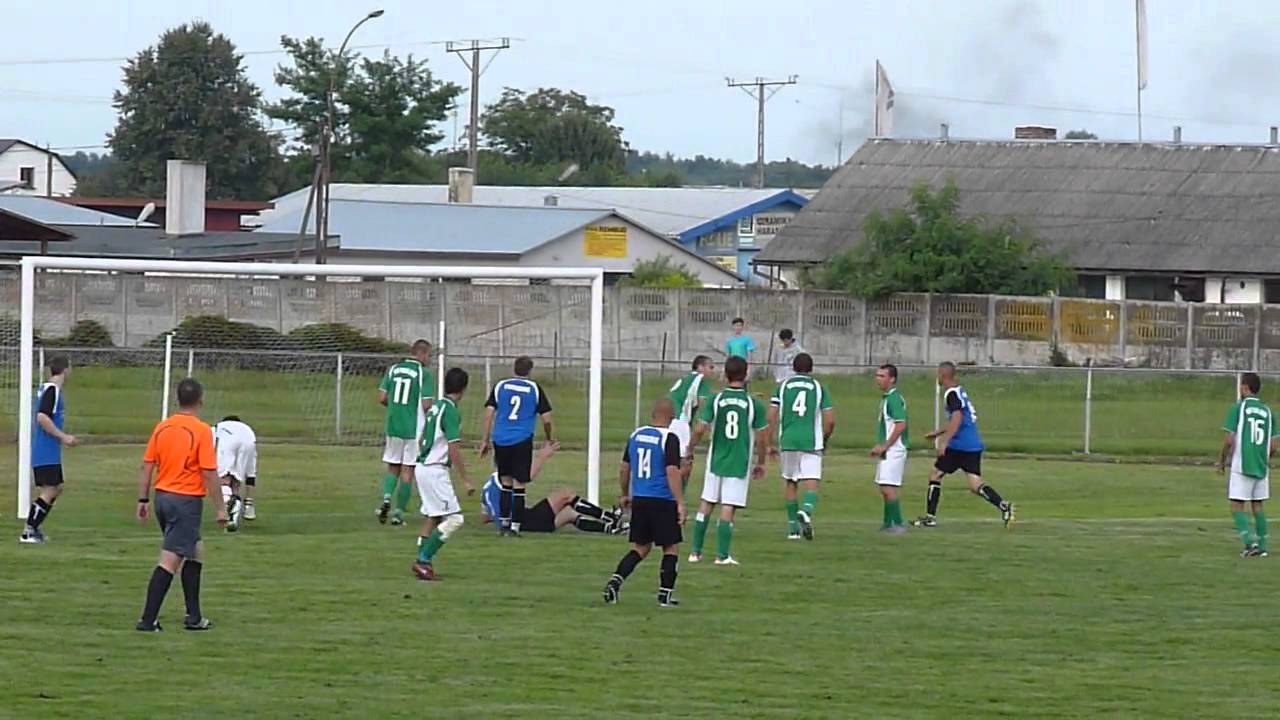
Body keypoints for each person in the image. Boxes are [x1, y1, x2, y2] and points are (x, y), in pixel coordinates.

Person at [135, 378, 227, 632]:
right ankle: (147, 620)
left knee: (195, 551)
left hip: (162, 498)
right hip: (185, 501)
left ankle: (194, 616)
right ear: (201, 400)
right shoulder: (201, 430)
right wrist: (220, 508)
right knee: (170, 560)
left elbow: (147, 465)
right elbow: (209, 472)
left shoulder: (163, 427)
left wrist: (142, 499)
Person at [603, 398, 686, 607]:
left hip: (640, 498)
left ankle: (615, 581)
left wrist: (625, 494)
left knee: (640, 547)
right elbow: (671, 471)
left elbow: (624, 467)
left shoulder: (636, 435)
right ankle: (665, 595)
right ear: (672, 417)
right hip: (662, 499)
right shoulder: (669, 438)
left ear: (652, 415)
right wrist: (680, 502)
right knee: (670, 547)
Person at [913, 362, 1015, 529]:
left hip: (958, 445)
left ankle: (930, 517)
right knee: (975, 484)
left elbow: (957, 418)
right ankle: (1004, 506)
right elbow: (960, 418)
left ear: (943, 375)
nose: (936, 378)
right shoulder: (959, 391)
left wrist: (944, 441)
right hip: (972, 445)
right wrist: (938, 432)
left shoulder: (951, 394)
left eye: (938, 374)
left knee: (935, 474)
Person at [688, 355, 768, 565]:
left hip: (716, 459)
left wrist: (689, 449)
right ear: (746, 374)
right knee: (728, 506)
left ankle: (695, 552)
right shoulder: (754, 404)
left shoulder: (716, 400)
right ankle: (722, 555)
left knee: (707, 502)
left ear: (725, 374)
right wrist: (761, 462)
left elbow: (699, 428)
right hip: (738, 461)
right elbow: (762, 437)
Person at [479, 356, 555, 536]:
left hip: (501, 439)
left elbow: (488, 414)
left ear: (514, 368)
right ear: (530, 370)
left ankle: (504, 526)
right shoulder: (534, 389)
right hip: (521, 439)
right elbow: (547, 419)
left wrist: (485, 439)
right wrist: (549, 436)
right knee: (519, 485)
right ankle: (515, 527)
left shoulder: (500, 386)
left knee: (505, 482)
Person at [480, 443, 627, 534]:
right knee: (565, 495)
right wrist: (542, 456)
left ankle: (611, 529)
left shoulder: (487, 486)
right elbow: (527, 476)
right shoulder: (505, 480)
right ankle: (611, 517)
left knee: (569, 514)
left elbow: (485, 517)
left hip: (525, 523)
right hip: (522, 523)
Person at [412, 368, 475, 581]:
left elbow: (421, 438)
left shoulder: (436, 406)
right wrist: (465, 480)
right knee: (455, 519)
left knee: (434, 516)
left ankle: (422, 559)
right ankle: (423, 560)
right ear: (464, 388)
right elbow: (453, 448)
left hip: (422, 466)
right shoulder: (450, 410)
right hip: (434, 470)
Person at [768, 353, 834, 541]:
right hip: (811, 440)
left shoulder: (783, 387)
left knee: (791, 481)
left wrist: (770, 441)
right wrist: (825, 438)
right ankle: (806, 510)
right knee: (812, 480)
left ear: (793, 368)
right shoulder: (819, 388)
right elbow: (830, 421)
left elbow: (770, 416)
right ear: (811, 369)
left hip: (788, 440)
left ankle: (793, 530)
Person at [20, 355, 78, 544]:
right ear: (66, 370)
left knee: (55, 489)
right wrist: (63, 437)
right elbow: (42, 417)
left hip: (48, 449)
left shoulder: (48, 389)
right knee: (51, 489)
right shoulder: (52, 390)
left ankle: (34, 529)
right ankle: (29, 530)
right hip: (45, 450)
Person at [376, 340, 434, 526]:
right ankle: (398, 513)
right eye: (429, 355)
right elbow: (426, 404)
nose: (429, 359)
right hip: (413, 428)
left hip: (393, 425)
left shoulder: (393, 369)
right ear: (422, 354)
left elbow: (382, 397)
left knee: (393, 466)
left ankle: (386, 498)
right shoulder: (423, 373)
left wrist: (393, 407)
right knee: (407, 470)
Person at [1216, 372, 1273, 558]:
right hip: (1261, 465)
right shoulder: (1268, 412)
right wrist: (1265, 458)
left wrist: (1222, 460)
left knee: (1236, 505)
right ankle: (1263, 546)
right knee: (1258, 505)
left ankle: (1250, 544)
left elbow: (1229, 439)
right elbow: (1273, 444)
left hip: (1242, 463)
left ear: (1245, 387)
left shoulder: (1238, 408)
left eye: (1241, 386)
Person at [667, 355, 716, 493]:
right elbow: (703, 404)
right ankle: (676, 496)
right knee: (686, 462)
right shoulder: (701, 379)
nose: (712, 370)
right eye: (710, 367)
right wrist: (708, 424)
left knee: (669, 460)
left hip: (668, 421)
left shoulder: (686, 379)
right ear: (700, 367)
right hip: (680, 423)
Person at [870, 364, 909, 534]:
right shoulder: (887, 398)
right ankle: (887, 524)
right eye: (877, 375)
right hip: (888, 449)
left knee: (888, 487)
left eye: (882, 376)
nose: (878, 379)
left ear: (892, 378)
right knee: (883, 486)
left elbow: (900, 424)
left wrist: (885, 445)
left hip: (894, 449)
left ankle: (898, 524)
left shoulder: (893, 398)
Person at [213, 415, 258, 531]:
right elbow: (251, 473)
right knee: (236, 481)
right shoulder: (247, 430)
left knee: (224, 479)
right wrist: (249, 503)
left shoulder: (218, 428)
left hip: (228, 443)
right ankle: (234, 514)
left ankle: (228, 505)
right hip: (249, 441)